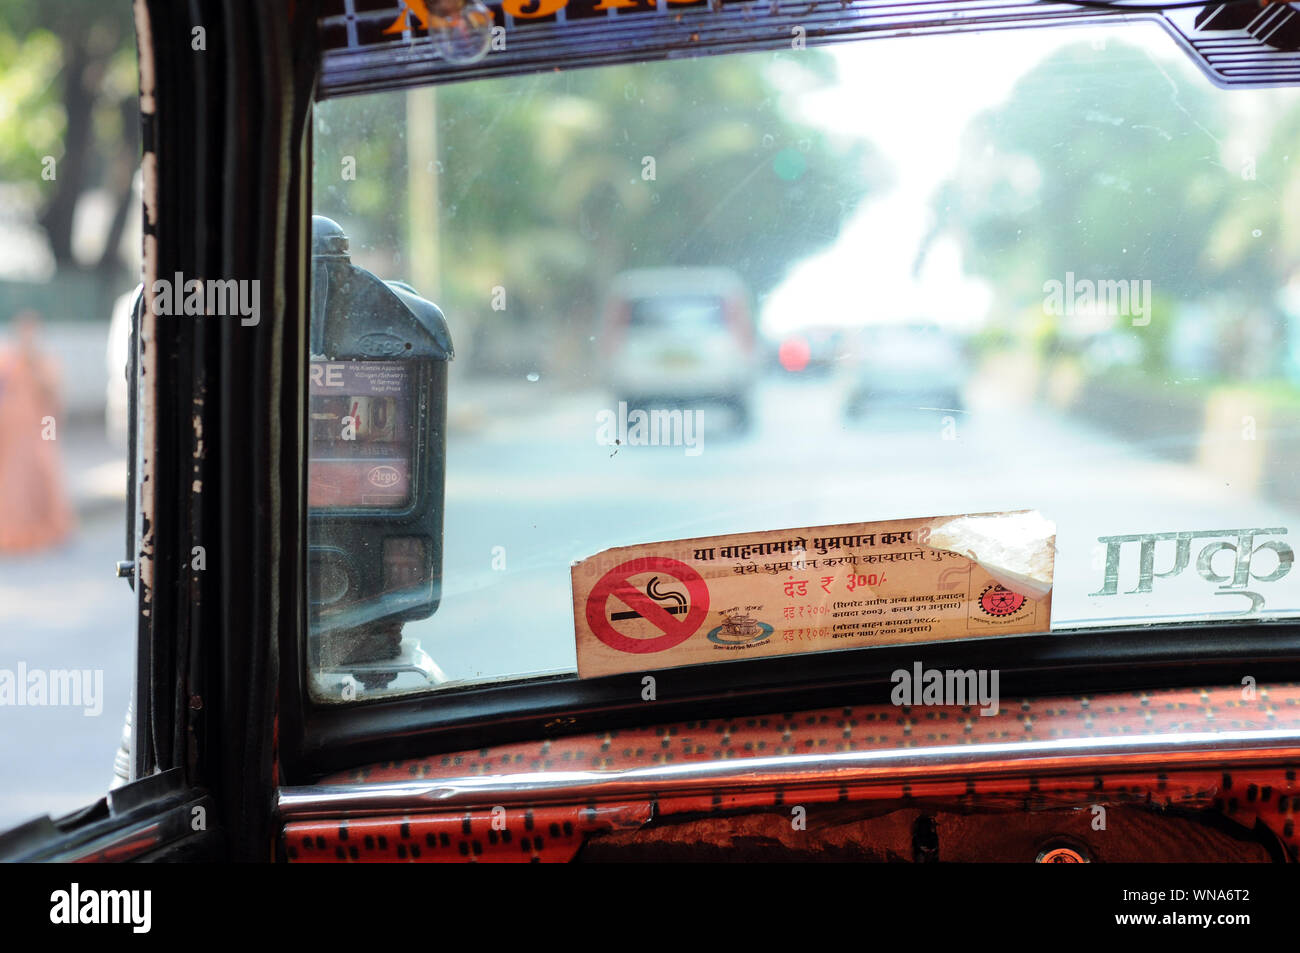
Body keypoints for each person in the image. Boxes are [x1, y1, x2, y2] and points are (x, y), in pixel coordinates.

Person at [0, 310, 75, 551]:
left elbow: (52, 400)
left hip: (40, 431)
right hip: (12, 437)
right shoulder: (7, 361)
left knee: (45, 476)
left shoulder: (44, 362)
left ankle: (49, 530)